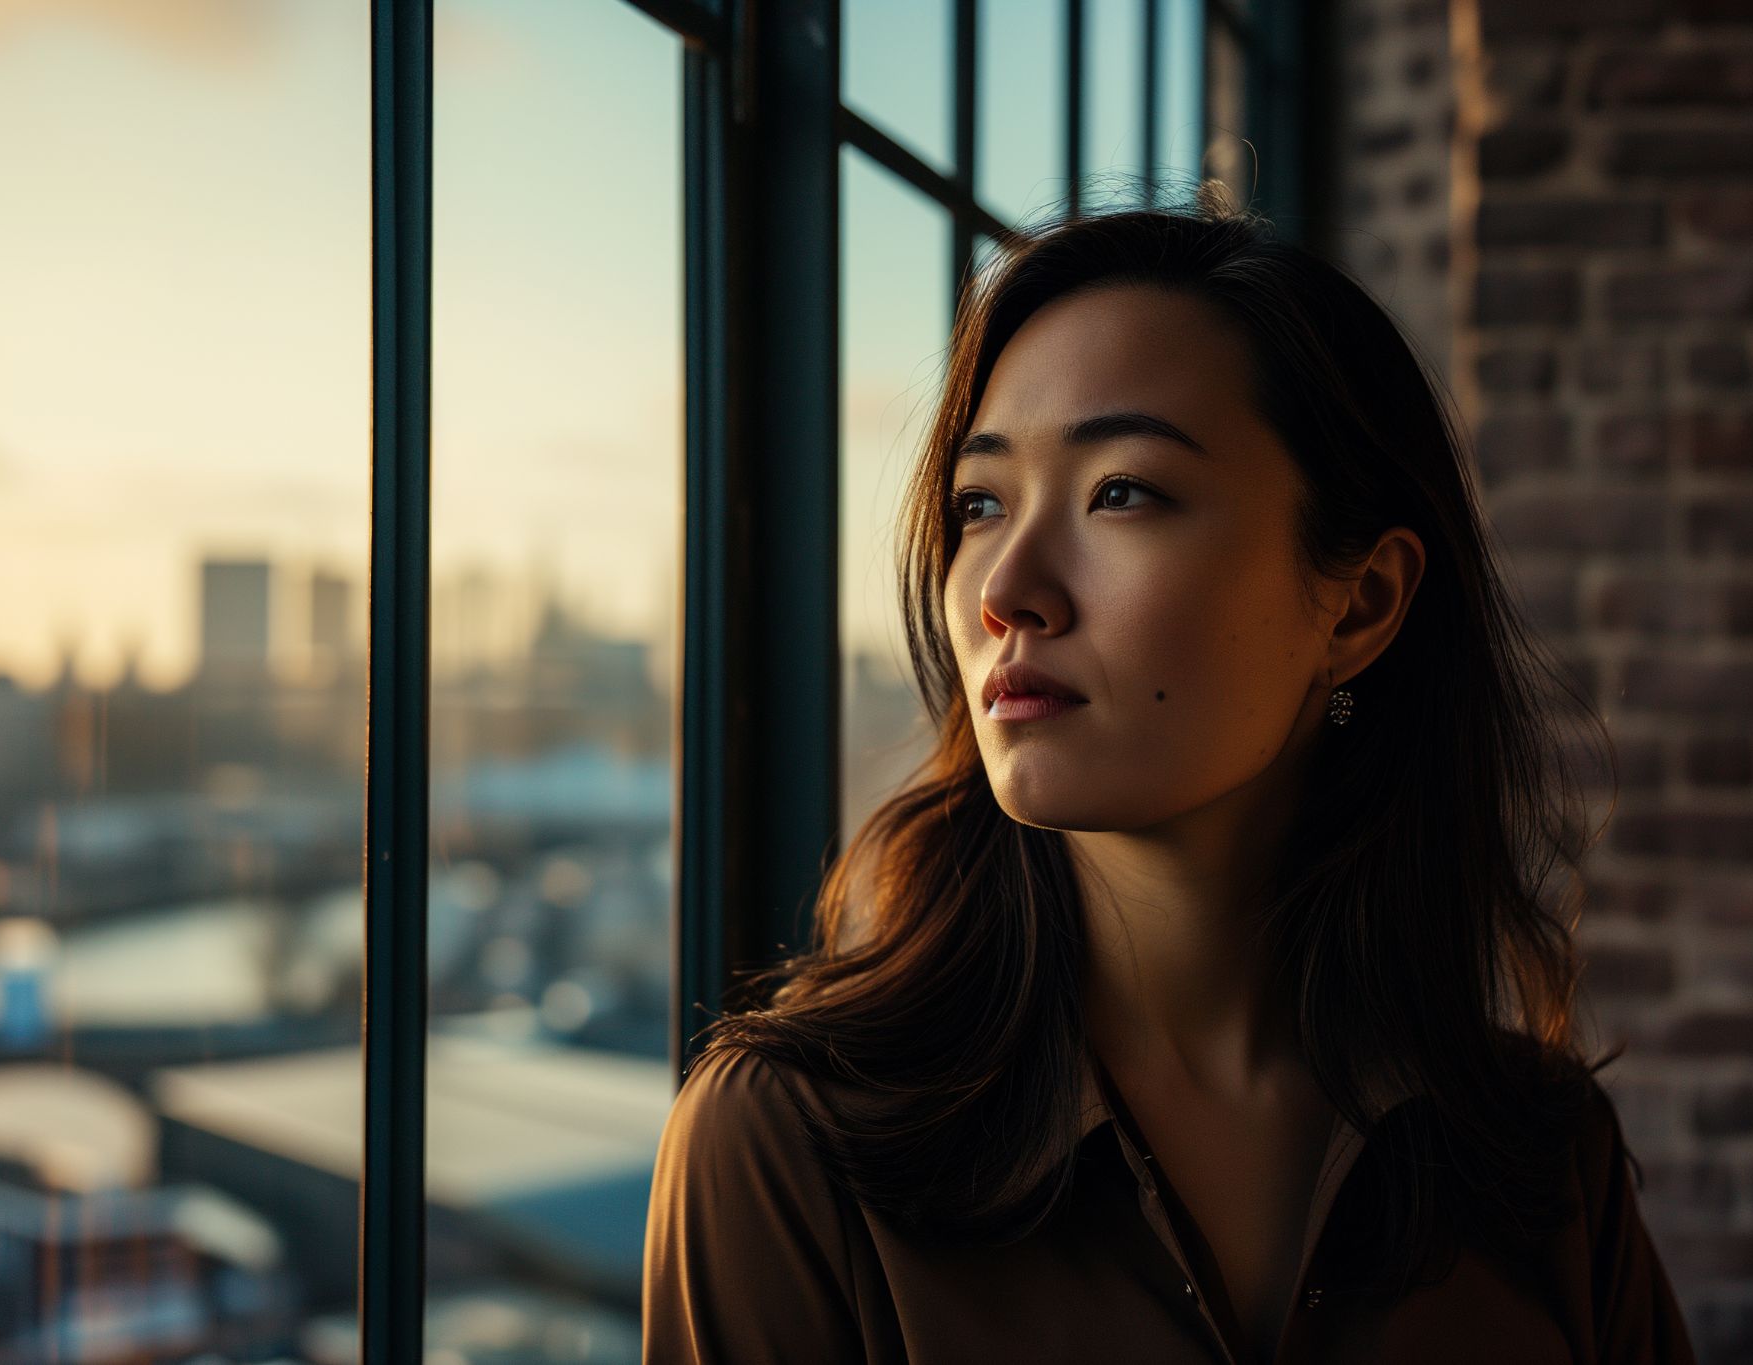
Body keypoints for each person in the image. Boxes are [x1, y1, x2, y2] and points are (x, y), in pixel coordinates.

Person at [641, 192, 1698, 1364]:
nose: (1004, 591)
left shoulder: (1540, 1161)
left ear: (1360, 605)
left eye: (1121, 492)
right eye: (978, 504)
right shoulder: (786, 1146)